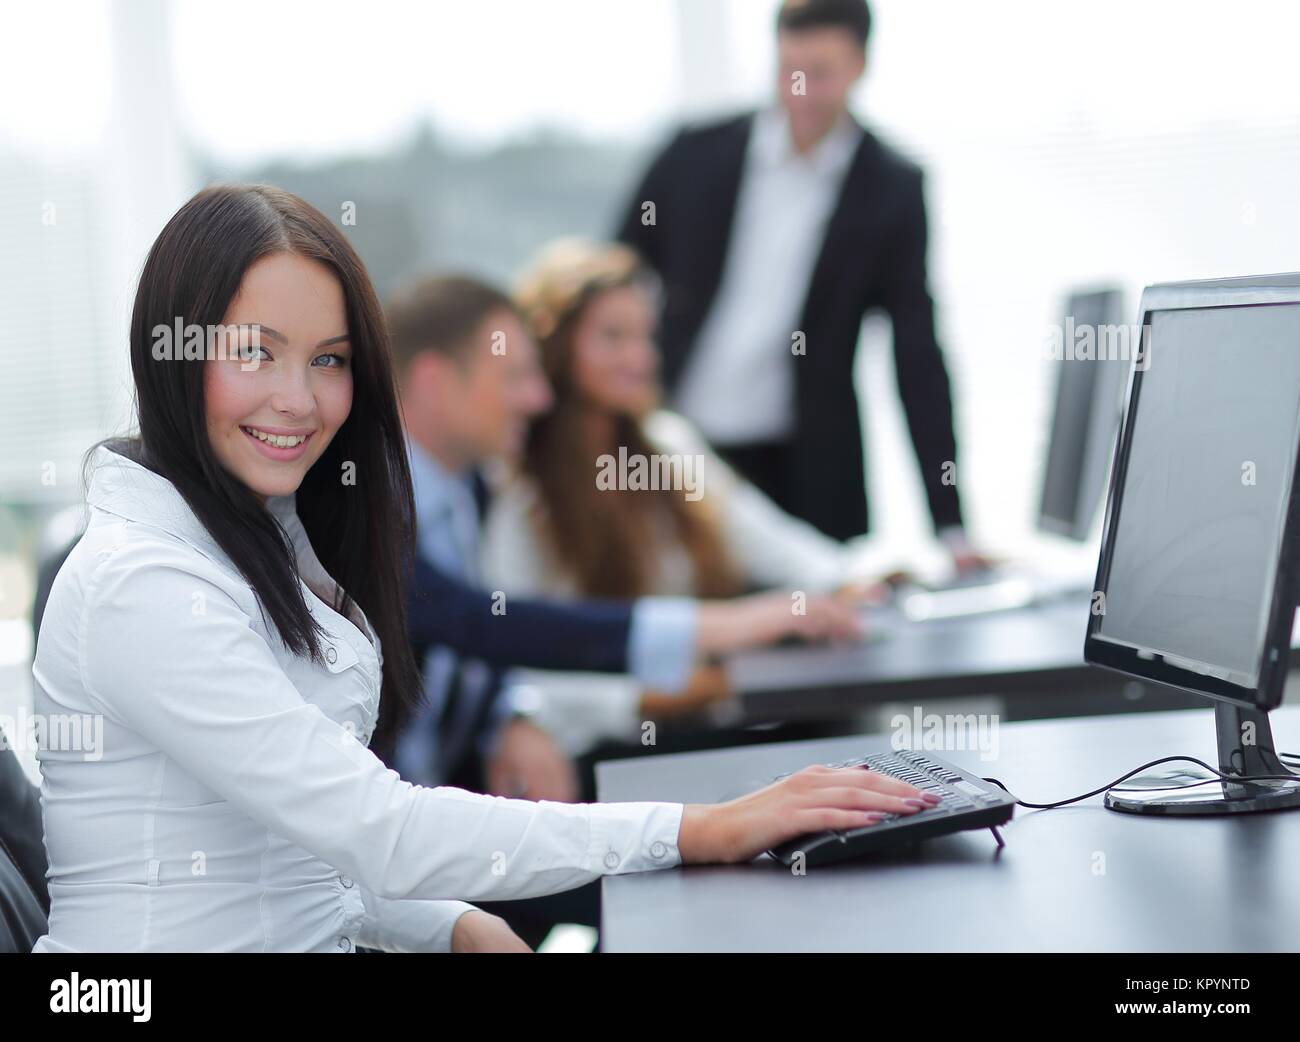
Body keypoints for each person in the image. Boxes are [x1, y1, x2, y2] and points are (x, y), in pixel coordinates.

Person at [30, 184, 934, 953]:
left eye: (330, 361)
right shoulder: (143, 586)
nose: (299, 400)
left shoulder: (260, 537)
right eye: (253, 352)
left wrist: (448, 923)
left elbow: (290, 859)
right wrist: (701, 826)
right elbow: (375, 828)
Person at [389, 276, 862, 800]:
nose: (537, 396)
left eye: (645, 337)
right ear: (433, 381)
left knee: (827, 756)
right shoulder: (441, 495)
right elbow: (483, 622)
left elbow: (489, 648)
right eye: (516, 376)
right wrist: (727, 632)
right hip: (424, 811)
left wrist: (516, 714)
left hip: (470, 787)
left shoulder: (466, 485)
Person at [616, 0, 985, 571]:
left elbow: (917, 357)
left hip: (808, 471)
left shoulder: (891, 188)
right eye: (791, 72)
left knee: (821, 631)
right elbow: (610, 277)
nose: (802, 92)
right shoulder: (694, 154)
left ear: (860, 65)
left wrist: (951, 526)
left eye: (822, 74)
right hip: (678, 448)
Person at [481, 239, 890, 746]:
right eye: (613, 337)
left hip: (700, 715)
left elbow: (768, 539)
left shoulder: (667, 442)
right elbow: (525, 667)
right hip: (609, 744)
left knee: (844, 726)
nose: (638, 357)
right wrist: (690, 691)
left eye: (644, 337)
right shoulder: (523, 488)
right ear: (556, 344)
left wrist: (856, 580)